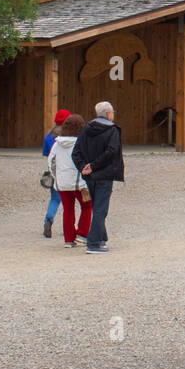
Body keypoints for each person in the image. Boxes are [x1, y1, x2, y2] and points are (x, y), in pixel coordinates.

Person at [72, 100, 124, 254]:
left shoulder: (86, 128)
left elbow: (76, 152)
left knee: (97, 207)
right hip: (104, 173)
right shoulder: (112, 130)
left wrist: (83, 167)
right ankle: (93, 243)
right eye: (112, 112)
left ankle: (101, 238)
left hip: (90, 175)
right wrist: (93, 166)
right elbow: (112, 151)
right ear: (108, 114)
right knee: (101, 209)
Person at [48, 113, 91, 247]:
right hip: (80, 183)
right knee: (87, 206)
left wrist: (57, 177)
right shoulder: (82, 143)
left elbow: (51, 162)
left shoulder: (57, 144)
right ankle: (82, 234)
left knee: (68, 209)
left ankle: (69, 239)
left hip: (62, 183)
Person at [41, 108, 69, 237]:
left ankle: (49, 220)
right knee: (70, 201)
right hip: (69, 171)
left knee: (54, 199)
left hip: (54, 172)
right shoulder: (71, 137)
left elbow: (47, 154)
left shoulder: (49, 136)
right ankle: (69, 226)